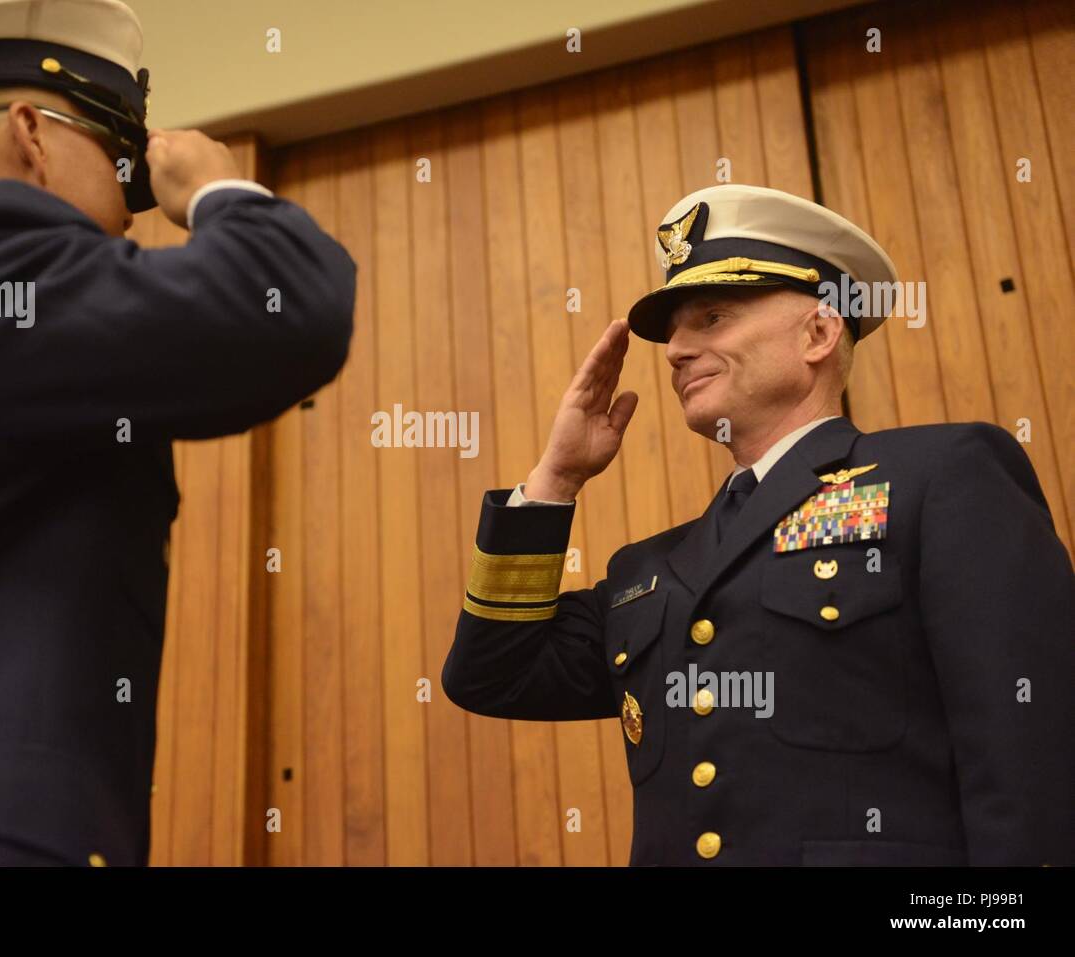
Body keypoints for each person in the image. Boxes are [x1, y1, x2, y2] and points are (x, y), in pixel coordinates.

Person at [0, 0, 355, 864]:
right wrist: (218, 191)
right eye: (122, 167)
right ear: (32, 136)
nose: (129, 215)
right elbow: (287, 307)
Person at [443, 183, 1074, 865]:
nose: (675, 350)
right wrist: (555, 480)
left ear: (819, 332)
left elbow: (1029, 756)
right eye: (673, 332)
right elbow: (493, 675)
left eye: (712, 317)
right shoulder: (646, 571)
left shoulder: (940, 476)